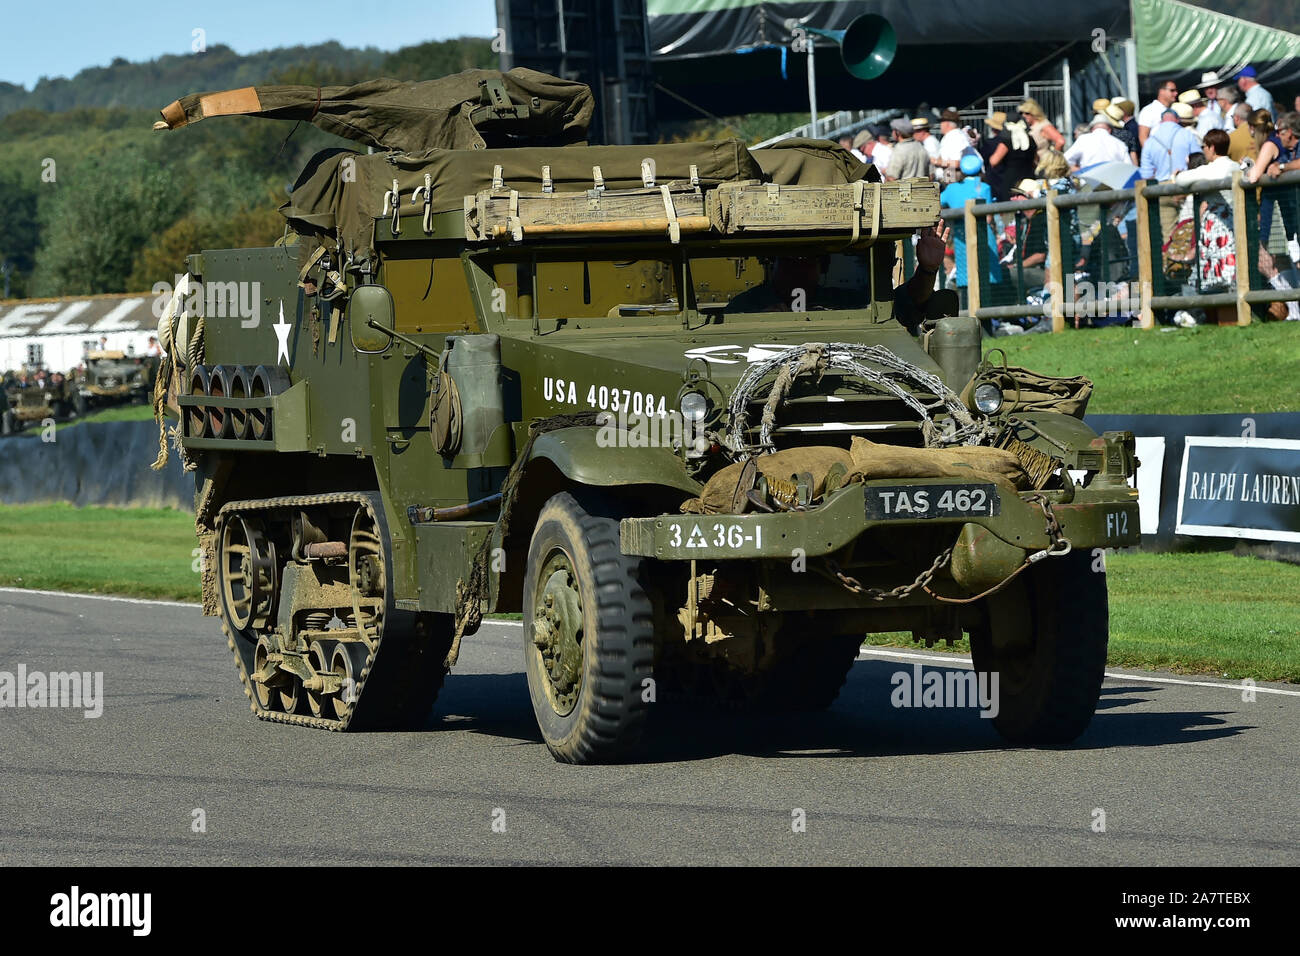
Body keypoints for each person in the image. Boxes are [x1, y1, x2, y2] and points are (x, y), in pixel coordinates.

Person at [1174, 129, 1239, 314]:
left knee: (1218, 265)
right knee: (1229, 265)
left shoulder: (1213, 169)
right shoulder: (1235, 165)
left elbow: (1181, 179)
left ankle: (1218, 313)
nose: (1203, 150)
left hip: (1218, 225)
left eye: (1204, 146)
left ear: (1212, 147)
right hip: (1235, 222)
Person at [940, 154, 1002, 308]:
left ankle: (969, 312)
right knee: (987, 274)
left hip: (962, 235)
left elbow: (939, 202)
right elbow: (988, 218)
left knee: (965, 274)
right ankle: (990, 316)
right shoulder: (984, 187)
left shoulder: (952, 188)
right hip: (983, 233)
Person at [1141, 107, 1200, 239]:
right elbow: (1197, 161)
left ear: (1161, 122)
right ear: (1177, 120)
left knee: (1168, 234)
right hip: (1185, 187)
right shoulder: (1187, 134)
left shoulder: (1150, 141)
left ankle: (1170, 258)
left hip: (1162, 189)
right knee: (1190, 230)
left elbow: (1146, 174)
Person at [1248, 110, 1300, 248]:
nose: (1278, 135)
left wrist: (1246, 168)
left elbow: (1254, 177)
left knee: (1270, 260)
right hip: (1288, 209)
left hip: (1278, 211)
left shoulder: (1270, 144)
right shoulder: (1285, 147)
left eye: (1281, 131)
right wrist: (1277, 165)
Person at [1065, 113, 1130, 170]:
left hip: (1087, 181)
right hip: (1113, 182)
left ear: (1092, 129)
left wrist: (1081, 170)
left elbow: (1065, 160)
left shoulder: (1083, 139)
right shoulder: (1120, 144)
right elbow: (1128, 167)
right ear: (1109, 130)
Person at [980, 112, 1012, 201]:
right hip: (1011, 181)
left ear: (993, 128)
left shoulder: (990, 144)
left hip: (995, 181)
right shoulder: (1014, 141)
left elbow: (984, 160)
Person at [1138, 79, 1179, 145]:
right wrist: (1151, 154)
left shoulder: (1175, 109)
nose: (1176, 93)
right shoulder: (1148, 110)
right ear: (1161, 91)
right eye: (1172, 90)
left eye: (1176, 90)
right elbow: (1143, 137)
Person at [935, 108, 969, 183]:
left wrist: (937, 162)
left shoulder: (954, 137)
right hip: (952, 177)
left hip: (955, 179)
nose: (940, 125)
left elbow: (957, 163)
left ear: (946, 123)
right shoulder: (954, 135)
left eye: (941, 122)